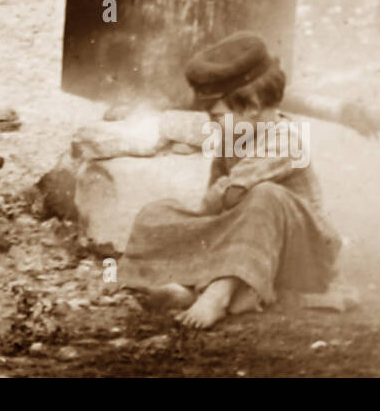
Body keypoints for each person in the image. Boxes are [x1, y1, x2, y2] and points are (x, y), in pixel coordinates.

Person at [119, 31, 342, 329]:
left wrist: (210, 215)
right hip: (251, 248)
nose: (212, 124)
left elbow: (232, 194)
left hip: (304, 258)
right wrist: (192, 227)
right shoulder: (231, 140)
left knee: (264, 196)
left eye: (216, 116)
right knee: (157, 213)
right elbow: (212, 205)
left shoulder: (287, 140)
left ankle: (219, 294)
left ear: (249, 107)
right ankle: (198, 284)